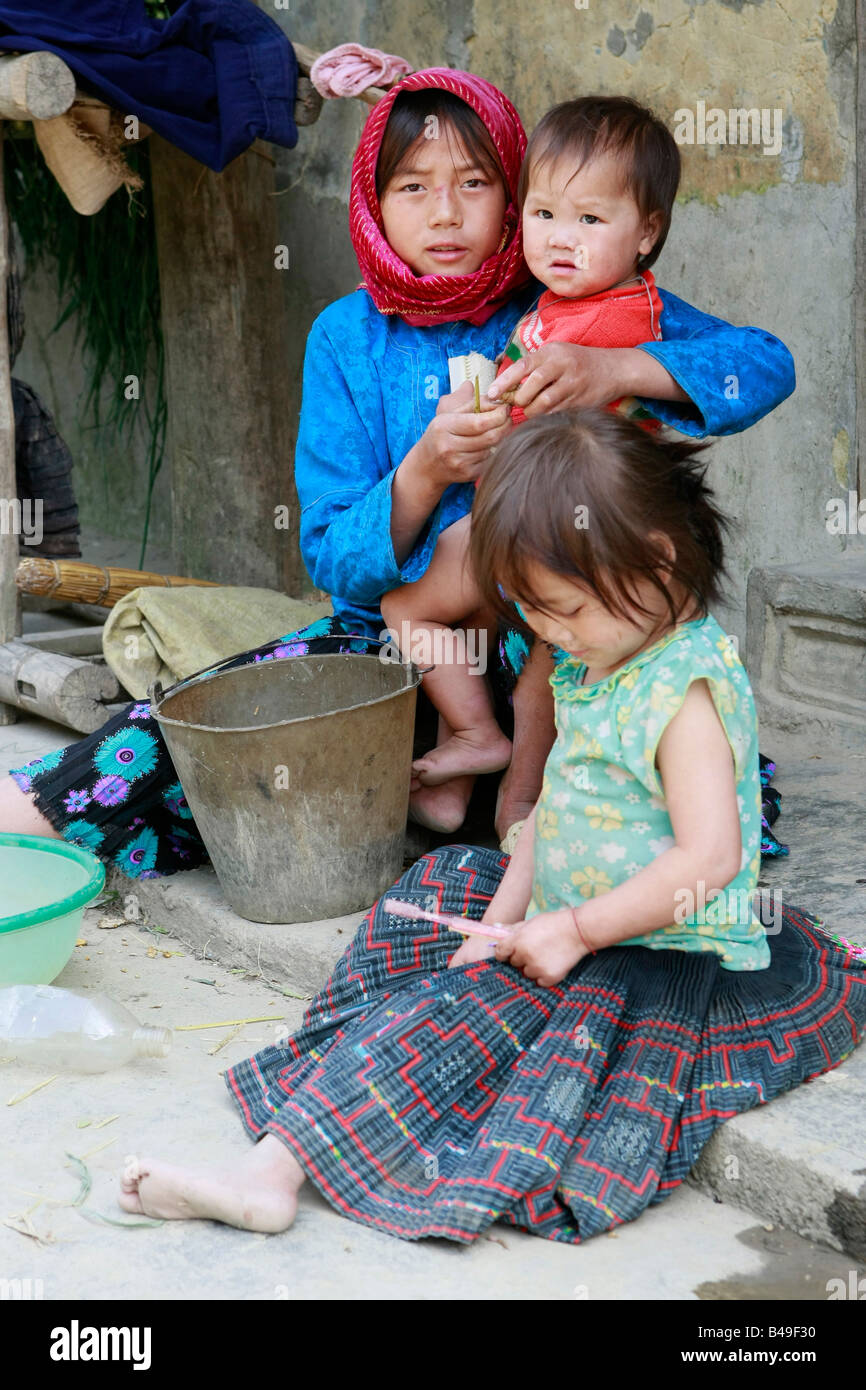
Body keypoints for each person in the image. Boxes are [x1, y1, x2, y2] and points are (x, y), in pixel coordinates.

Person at [0, 67, 795, 872]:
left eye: (476, 183)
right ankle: (43, 815)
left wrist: (621, 372)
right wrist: (423, 471)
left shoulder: (568, 291)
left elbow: (762, 364)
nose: (445, 214)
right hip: (398, 647)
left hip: (559, 637)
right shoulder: (347, 339)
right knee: (216, 729)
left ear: (513, 193)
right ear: (373, 204)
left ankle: (505, 800)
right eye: (412, 187)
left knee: (684, 770)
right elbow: (334, 555)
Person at [117, 409, 866, 1242]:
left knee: (467, 1011)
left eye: (565, 610)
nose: (549, 635)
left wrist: (575, 930)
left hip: (653, 945)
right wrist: (500, 921)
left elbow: (713, 858)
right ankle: (339, 1087)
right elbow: (557, 811)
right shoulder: (604, 658)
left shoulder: (679, 692)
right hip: (574, 910)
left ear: (656, 560)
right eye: (533, 615)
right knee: (437, 897)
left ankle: (272, 1175)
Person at [381, 94, 674, 789]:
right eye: (544, 215)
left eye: (590, 219)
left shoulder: (613, 320)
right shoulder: (556, 301)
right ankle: (486, 762)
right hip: (513, 523)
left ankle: (501, 780)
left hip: (572, 535)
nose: (561, 239)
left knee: (532, 675)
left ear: (646, 232)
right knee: (439, 626)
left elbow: (761, 363)